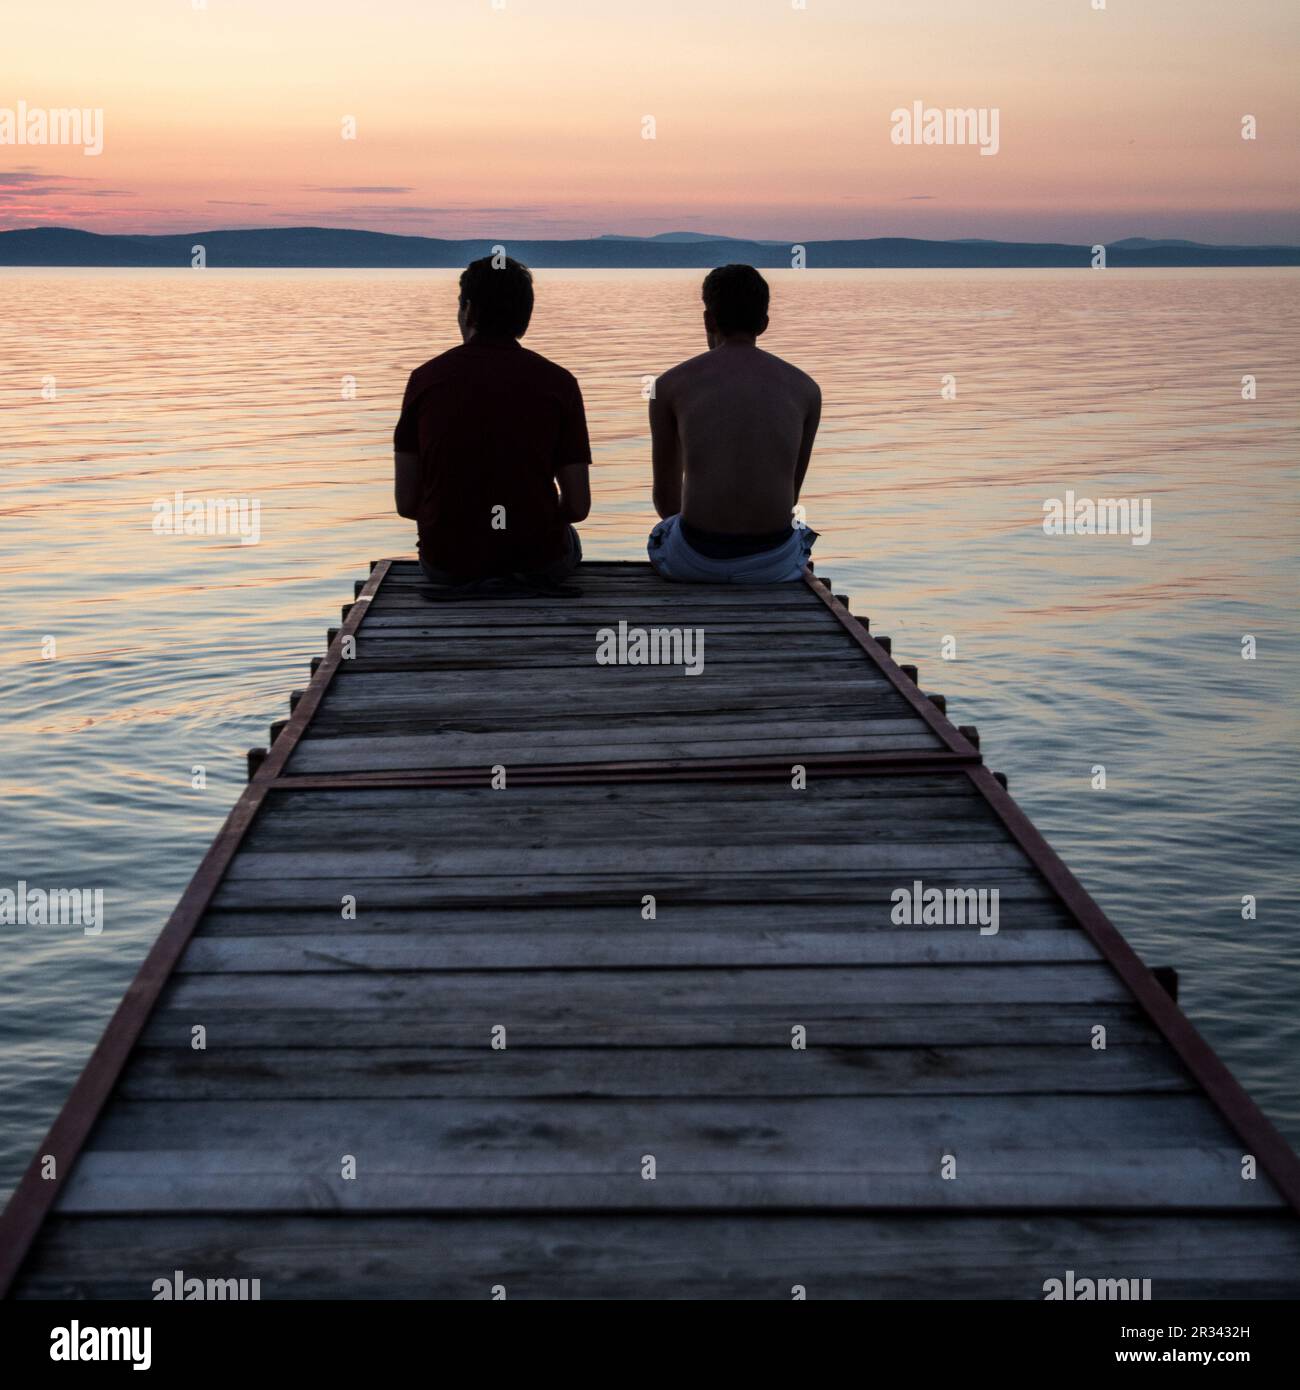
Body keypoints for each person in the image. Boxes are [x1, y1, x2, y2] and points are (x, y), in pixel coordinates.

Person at [394, 255, 591, 589]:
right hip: (537, 561)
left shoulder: (425, 380)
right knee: (567, 537)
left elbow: (407, 503)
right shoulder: (559, 382)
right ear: (525, 318)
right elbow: (577, 505)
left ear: (468, 310)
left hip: (449, 564)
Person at [647, 264, 820, 582]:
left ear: (708, 319)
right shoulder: (805, 389)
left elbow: (667, 501)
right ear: (764, 324)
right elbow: (790, 496)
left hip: (695, 559)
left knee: (662, 532)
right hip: (773, 562)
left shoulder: (669, 386)